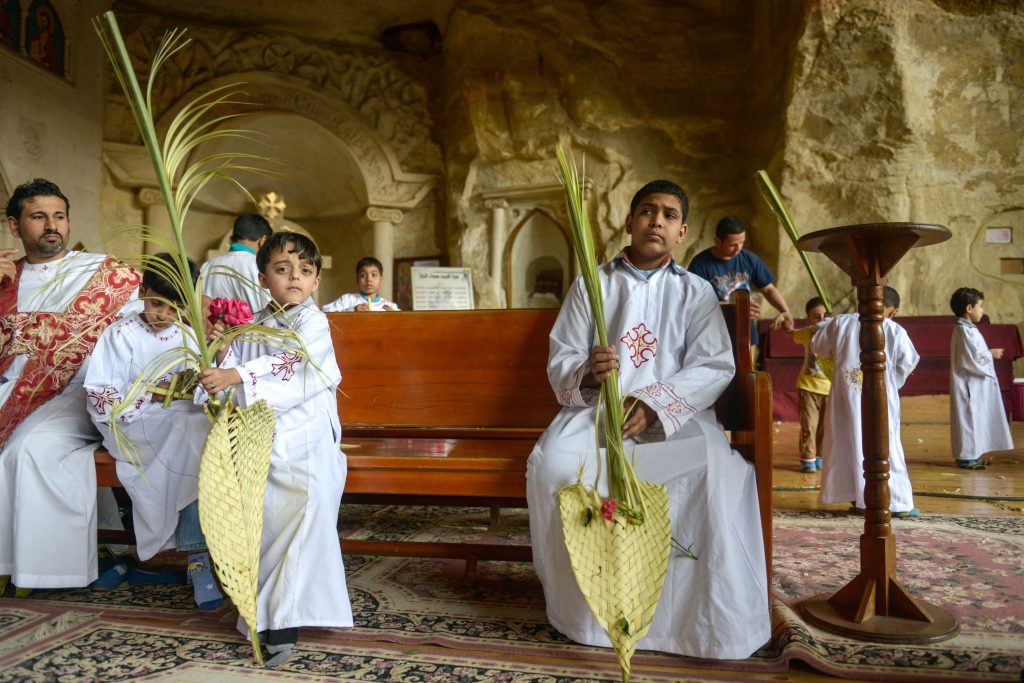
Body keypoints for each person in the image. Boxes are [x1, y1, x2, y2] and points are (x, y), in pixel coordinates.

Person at [526, 180, 770, 660]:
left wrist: (655, 404)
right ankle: (589, 617)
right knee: (554, 466)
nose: (656, 220)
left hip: (673, 419)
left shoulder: (696, 291)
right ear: (629, 222)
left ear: (682, 231)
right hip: (596, 413)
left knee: (709, 470)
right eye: (646, 211)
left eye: (668, 214)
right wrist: (588, 372)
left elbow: (714, 365)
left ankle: (690, 624)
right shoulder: (591, 284)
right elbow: (562, 357)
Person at [197, 232, 350, 664]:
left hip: (306, 441)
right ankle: (265, 612)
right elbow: (223, 379)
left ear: (317, 281)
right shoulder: (252, 324)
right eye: (283, 270)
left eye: (304, 271)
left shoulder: (312, 322)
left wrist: (239, 375)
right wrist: (222, 353)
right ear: (264, 278)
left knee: (299, 522)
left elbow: (298, 364)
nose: (294, 278)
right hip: (261, 441)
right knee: (268, 528)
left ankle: (281, 622)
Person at [0, 178, 141, 592]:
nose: (52, 226)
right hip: (12, 389)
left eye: (59, 216)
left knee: (29, 450)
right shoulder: (5, 276)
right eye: (38, 216)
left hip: (79, 392)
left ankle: (45, 571)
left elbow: (146, 326)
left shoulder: (104, 275)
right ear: (14, 226)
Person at [84, 253, 223, 608]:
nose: (163, 314)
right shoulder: (121, 335)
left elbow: (200, 387)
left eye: (175, 306)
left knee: (208, 431)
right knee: (193, 431)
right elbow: (101, 392)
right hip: (131, 424)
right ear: (142, 292)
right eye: (156, 303)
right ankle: (198, 558)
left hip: (180, 422)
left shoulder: (187, 335)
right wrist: (149, 396)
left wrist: (209, 372)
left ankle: (205, 552)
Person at [812, 286, 920, 517]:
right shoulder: (894, 329)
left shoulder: (840, 323)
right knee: (885, 444)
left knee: (849, 442)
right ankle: (896, 502)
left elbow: (818, 347)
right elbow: (908, 361)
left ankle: (861, 498)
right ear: (893, 311)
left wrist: (827, 326)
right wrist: (892, 382)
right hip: (881, 397)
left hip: (845, 398)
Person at [687, 215, 794, 347]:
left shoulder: (749, 259)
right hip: (713, 333)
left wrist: (785, 311)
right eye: (732, 245)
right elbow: (695, 302)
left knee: (747, 367)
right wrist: (734, 308)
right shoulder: (700, 264)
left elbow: (768, 289)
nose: (738, 249)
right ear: (717, 241)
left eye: (741, 242)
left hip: (746, 331)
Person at [949, 287, 1013, 470]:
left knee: (974, 419)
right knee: (968, 420)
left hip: (973, 383)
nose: (982, 311)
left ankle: (973, 454)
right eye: (980, 306)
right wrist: (990, 354)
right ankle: (966, 457)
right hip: (967, 384)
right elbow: (970, 359)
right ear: (969, 308)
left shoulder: (968, 329)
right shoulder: (963, 331)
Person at [787, 297, 831, 473]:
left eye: (824, 316)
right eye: (816, 317)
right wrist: (784, 323)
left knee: (825, 427)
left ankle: (819, 456)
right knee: (809, 425)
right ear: (808, 318)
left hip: (829, 389)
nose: (821, 320)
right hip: (808, 387)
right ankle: (808, 458)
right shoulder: (808, 333)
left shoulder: (836, 334)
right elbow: (791, 332)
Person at [200, 213, 273, 316]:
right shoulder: (261, 265)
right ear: (263, 241)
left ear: (231, 240)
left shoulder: (207, 266)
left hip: (208, 331)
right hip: (252, 331)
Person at [321, 256, 399, 312]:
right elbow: (324, 311)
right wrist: (352, 310)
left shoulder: (390, 306)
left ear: (381, 280)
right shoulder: (347, 299)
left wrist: (393, 317)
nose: (369, 279)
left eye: (374, 275)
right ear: (357, 279)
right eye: (363, 275)